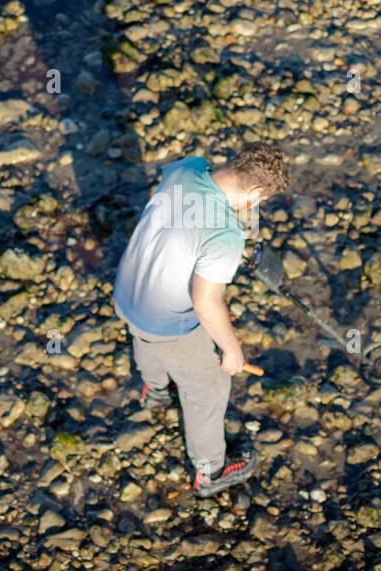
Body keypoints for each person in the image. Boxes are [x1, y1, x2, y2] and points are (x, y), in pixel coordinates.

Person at [113, 141, 290, 497]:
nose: (257, 207)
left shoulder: (188, 168)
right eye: (262, 201)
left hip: (128, 293)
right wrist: (232, 351)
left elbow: (186, 222)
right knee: (208, 388)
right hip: (167, 324)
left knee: (144, 340)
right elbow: (206, 303)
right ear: (255, 192)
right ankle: (211, 471)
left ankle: (156, 391)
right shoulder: (225, 235)